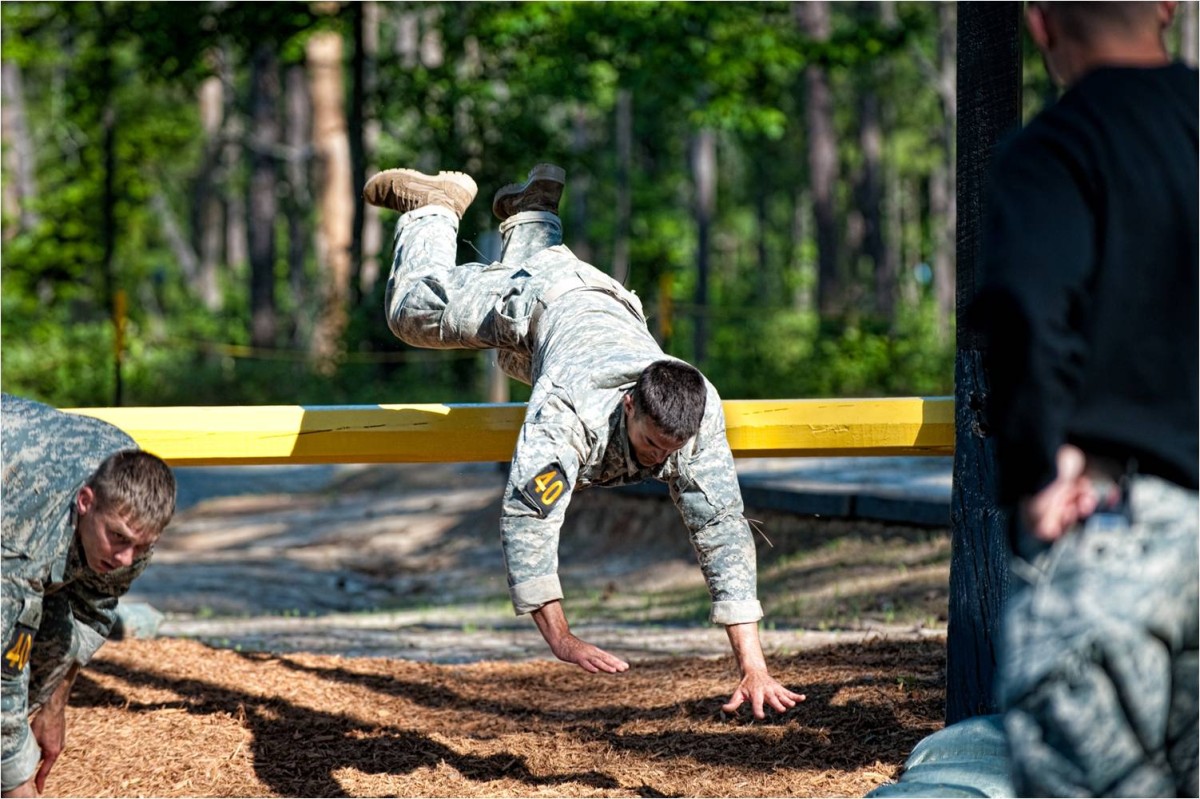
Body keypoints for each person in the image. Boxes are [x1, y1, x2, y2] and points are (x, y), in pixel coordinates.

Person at [363, 164, 805, 719]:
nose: (659, 458)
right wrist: (562, 639)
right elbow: (528, 518)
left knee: (519, 359)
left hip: (608, 305)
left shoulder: (699, 412)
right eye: (650, 443)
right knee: (411, 311)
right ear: (628, 405)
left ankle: (531, 220)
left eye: (671, 449)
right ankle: (434, 206)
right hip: (539, 301)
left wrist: (754, 666)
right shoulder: (568, 411)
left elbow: (719, 529)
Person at [973, 2, 1197, 795]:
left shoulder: (1053, 150)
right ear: (1167, 8)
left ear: (1040, 26)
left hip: (1116, 523)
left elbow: (1027, 309)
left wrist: (1037, 470)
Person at [1, 394, 177, 797]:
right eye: (118, 540)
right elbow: (2, 667)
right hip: (13, 498)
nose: (126, 558)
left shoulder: (128, 520)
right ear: (85, 502)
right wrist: (16, 780)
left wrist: (51, 707)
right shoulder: (22, 536)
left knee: (56, 637)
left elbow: (86, 614)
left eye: (141, 547)